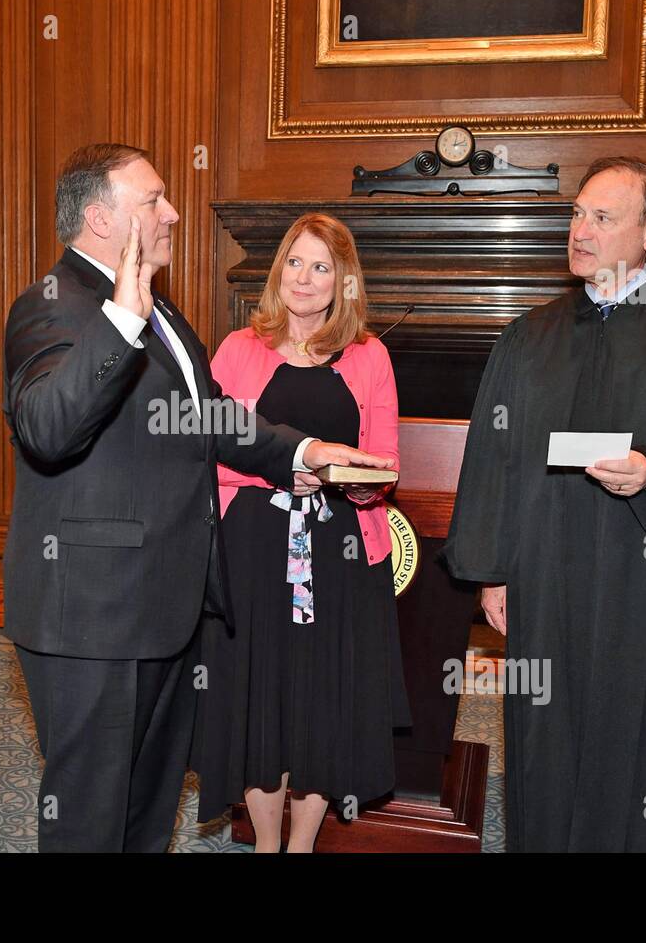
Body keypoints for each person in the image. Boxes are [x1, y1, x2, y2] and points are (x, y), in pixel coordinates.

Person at [2, 144, 391, 852]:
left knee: (147, 803)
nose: (174, 212)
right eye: (153, 200)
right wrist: (120, 320)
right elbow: (48, 428)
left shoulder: (163, 313)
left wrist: (301, 452)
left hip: (165, 602)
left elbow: (211, 416)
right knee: (90, 813)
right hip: (92, 610)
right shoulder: (51, 306)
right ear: (99, 218)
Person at [441, 156, 646, 852]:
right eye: (576, 213)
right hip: (548, 577)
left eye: (603, 217)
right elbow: (493, 462)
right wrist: (492, 569)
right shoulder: (529, 338)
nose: (581, 230)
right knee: (549, 732)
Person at [192, 213, 411, 852]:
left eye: (322, 267)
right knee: (259, 698)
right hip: (253, 551)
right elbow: (207, 450)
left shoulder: (371, 355)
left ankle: (302, 843)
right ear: (277, 271)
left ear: (344, 281)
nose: (305, 278)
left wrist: (349, 480)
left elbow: (386, 462)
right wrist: (285, 474)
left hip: (341, 554)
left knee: (323, 704)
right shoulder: (237, 349)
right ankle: (265, 845)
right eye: (294, 262)